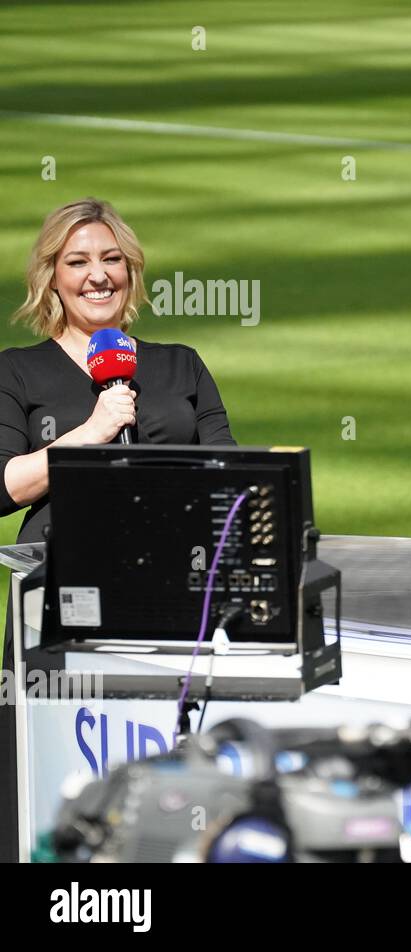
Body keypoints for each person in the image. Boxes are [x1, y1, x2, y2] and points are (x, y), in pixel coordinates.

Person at [0, 197, 236, 860]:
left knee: (169, 782)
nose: (97, 275)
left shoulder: (180, 364)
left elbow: (228, 471)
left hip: (175, 604)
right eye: (77, 261)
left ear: (131, 273)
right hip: (58, 604)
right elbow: (2, 485)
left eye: (112, 260)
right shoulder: (16, 370)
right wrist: (90, 434)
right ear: (51, 277)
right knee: (54, 789)